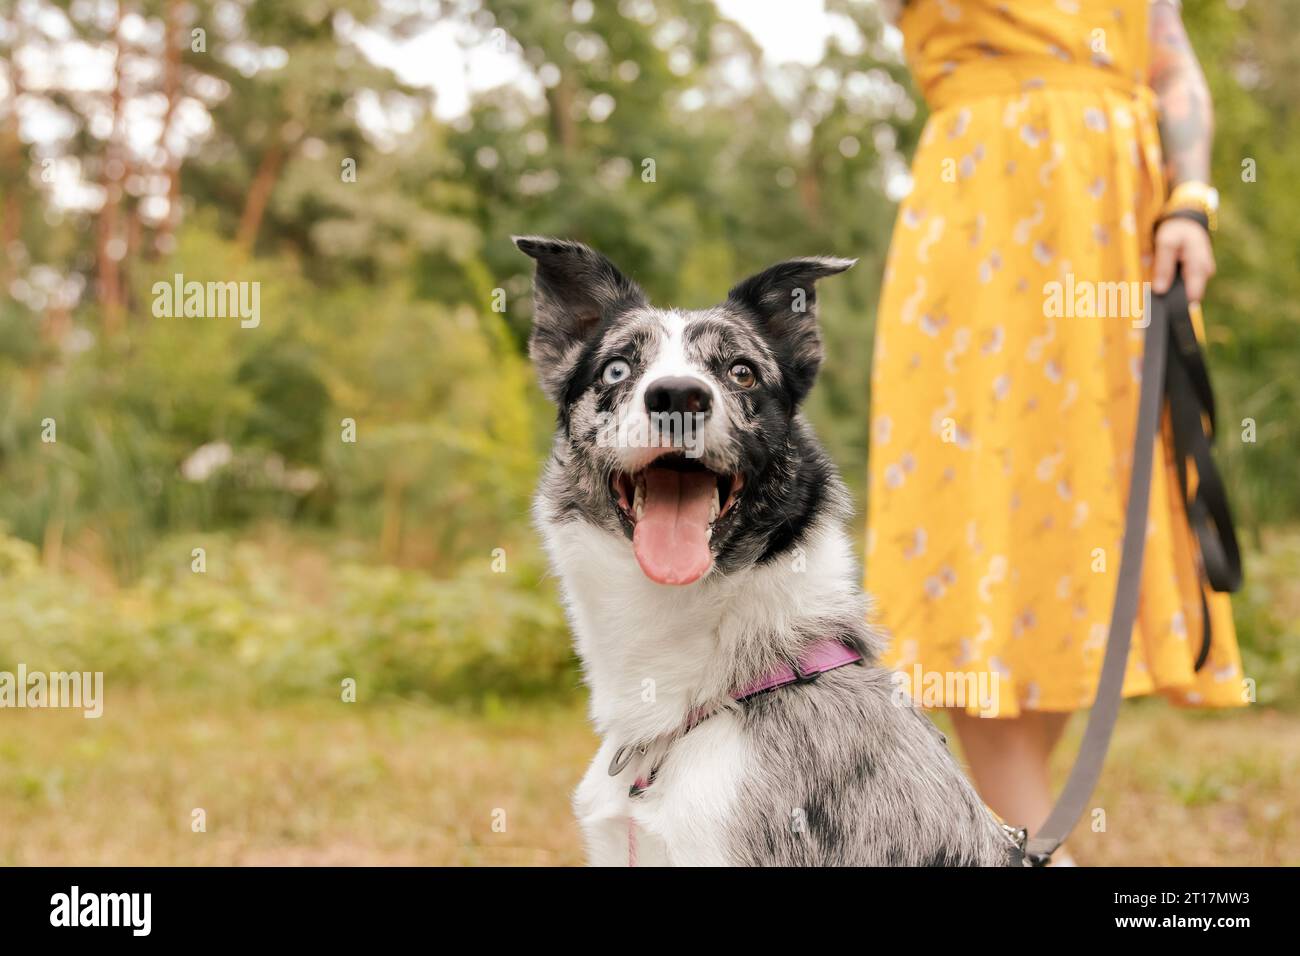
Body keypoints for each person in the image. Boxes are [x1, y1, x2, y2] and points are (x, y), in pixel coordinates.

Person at [866, 0, 1242, 865]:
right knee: (979, 521)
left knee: (1083, 539)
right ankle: (1033, 847)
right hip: (984, 224)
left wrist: (1192, 199)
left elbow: (1172, 61)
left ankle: (1004, 839)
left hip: (1122, 232)